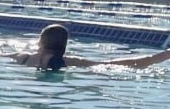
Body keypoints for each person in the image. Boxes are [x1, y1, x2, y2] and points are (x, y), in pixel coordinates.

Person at [13, 23, 170, 70]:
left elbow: (1, 54)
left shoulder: (23, 57)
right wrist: (163, 55)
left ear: (40, 41)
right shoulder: (68, 61)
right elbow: (111, 64)